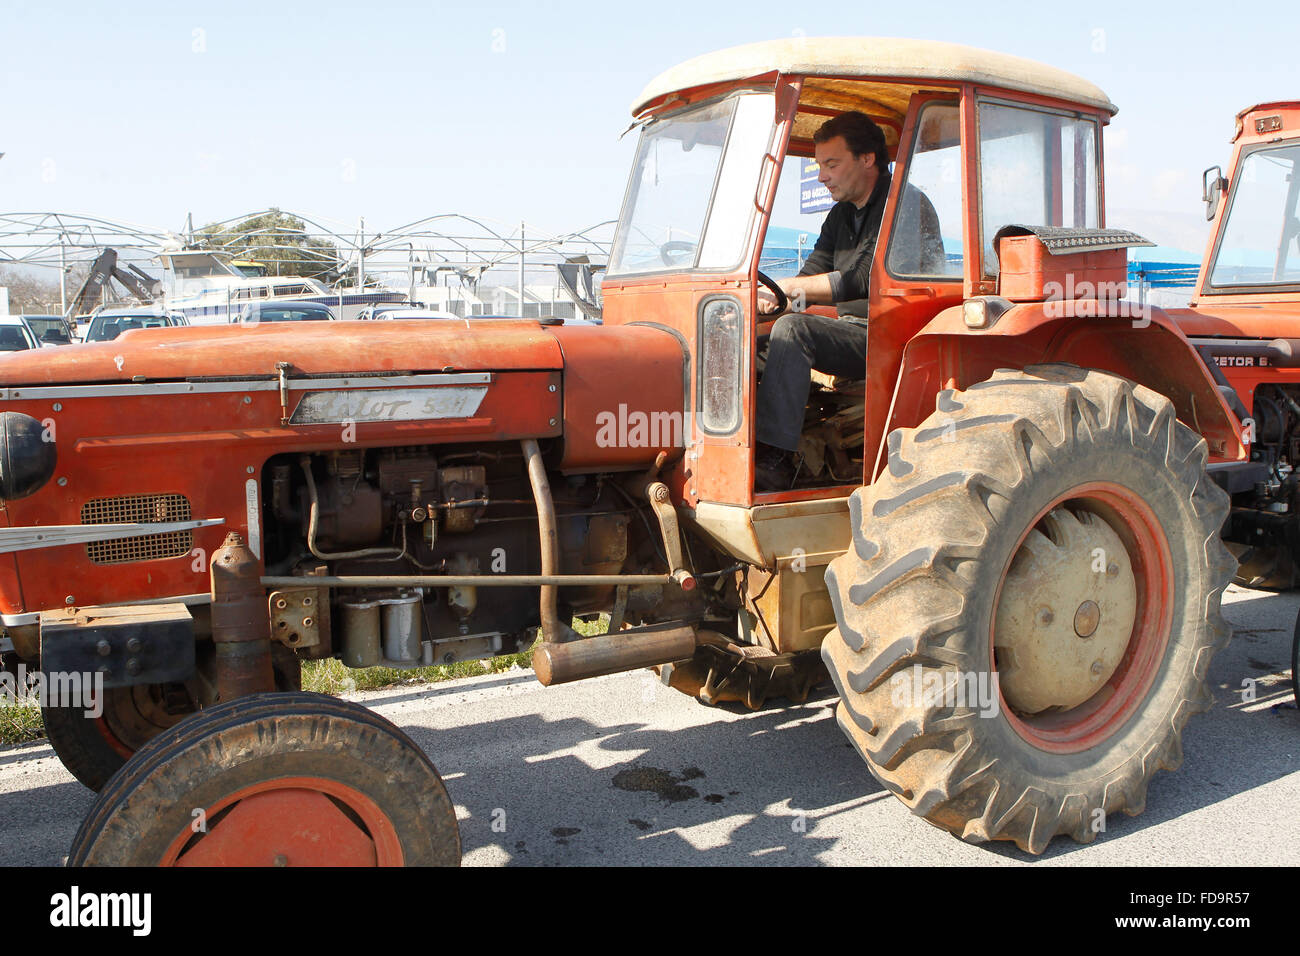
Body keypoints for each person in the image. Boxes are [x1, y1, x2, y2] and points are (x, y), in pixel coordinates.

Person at [754, 111, 940, 490]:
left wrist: (789, 294)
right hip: (849, 331)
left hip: (893, 337)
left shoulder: (902, 206)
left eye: (831, 163)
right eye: (820, 165)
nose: (822, 175)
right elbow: (810, 277)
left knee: (793, 330)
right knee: (754, 339)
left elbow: (862, 279)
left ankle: (774, 460)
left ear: (867, 159)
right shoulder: (840, 215)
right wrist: (769, 300)